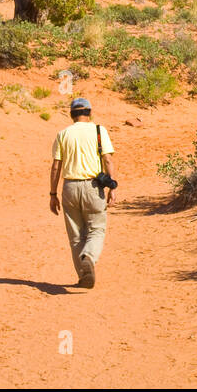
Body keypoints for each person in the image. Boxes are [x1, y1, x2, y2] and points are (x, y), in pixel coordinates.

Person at [49, 97, 116, 288]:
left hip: (69, 186)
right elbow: (108, 160)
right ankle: (89, 257)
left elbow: (56, 167)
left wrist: (52, 194)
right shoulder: (99, 131)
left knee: (76, 235)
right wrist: (112, 187)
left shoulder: (63, 134)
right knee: (96, 229)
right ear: (89, 113)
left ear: (72, 114)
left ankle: (83, 276)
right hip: (93, 187)